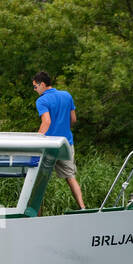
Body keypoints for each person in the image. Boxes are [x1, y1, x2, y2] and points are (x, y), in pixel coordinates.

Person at [32, 71, 85, 210]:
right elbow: (73, 119)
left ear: (42, 84)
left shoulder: (42, 100)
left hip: (49, 146)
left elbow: (46, 122)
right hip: (66, 144)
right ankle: (83, 207)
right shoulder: (66, 95)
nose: (35, 90)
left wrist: (36, 141)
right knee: (70, 177)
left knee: (39, 181)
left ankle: (35, 215)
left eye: (35, 87)